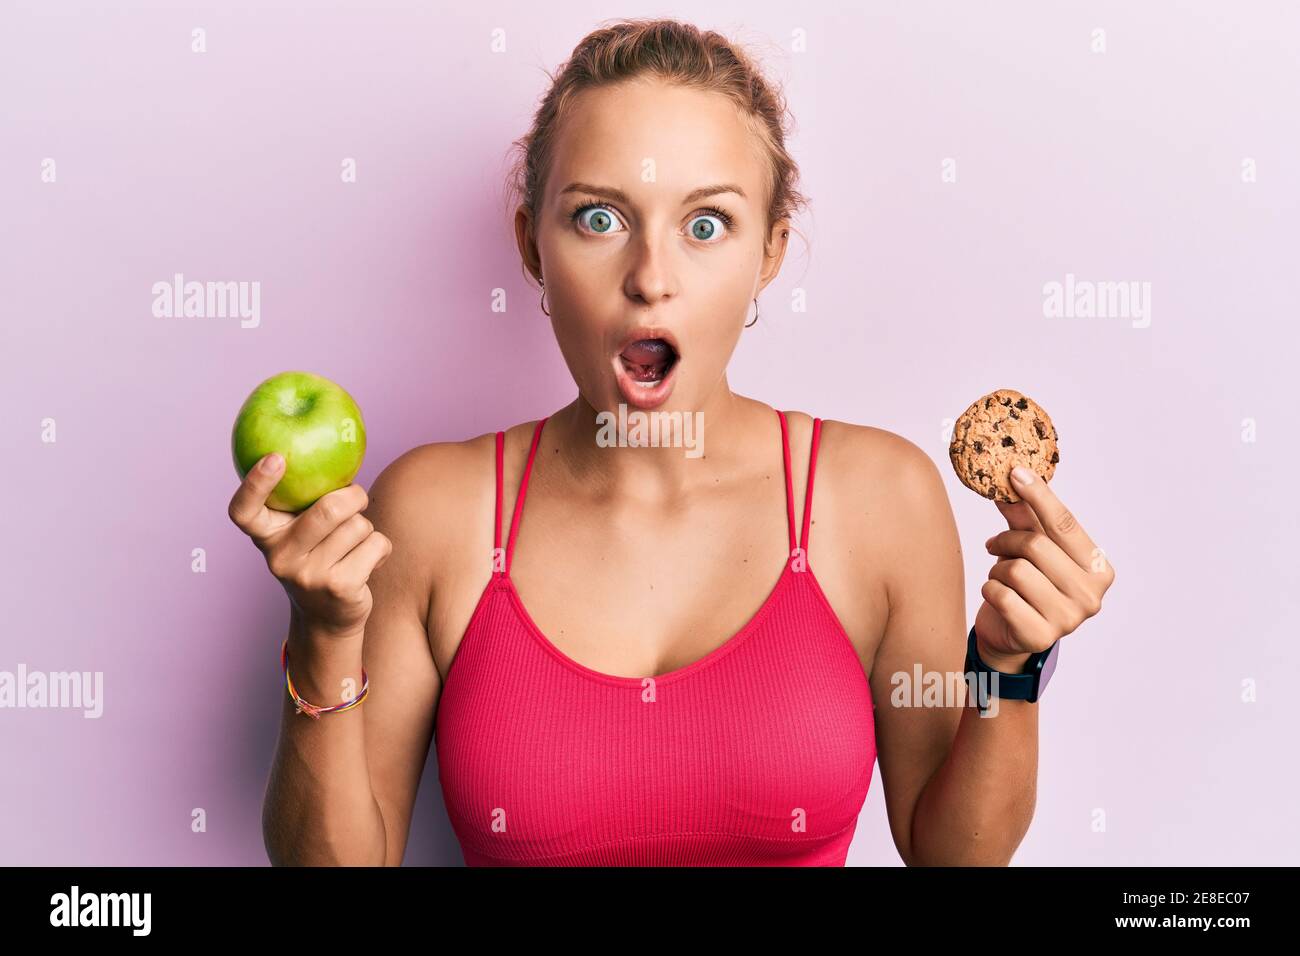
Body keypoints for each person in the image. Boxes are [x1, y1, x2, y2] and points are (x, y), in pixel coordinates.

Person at [230, 17, 1114, 867]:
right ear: (532, 247)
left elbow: (954, 857)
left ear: (769, 253)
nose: (651, 279)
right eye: (599, 219)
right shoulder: (431, 510)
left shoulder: (879, 497)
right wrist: (322, 634)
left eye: (705, 226)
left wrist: (1007, 666)